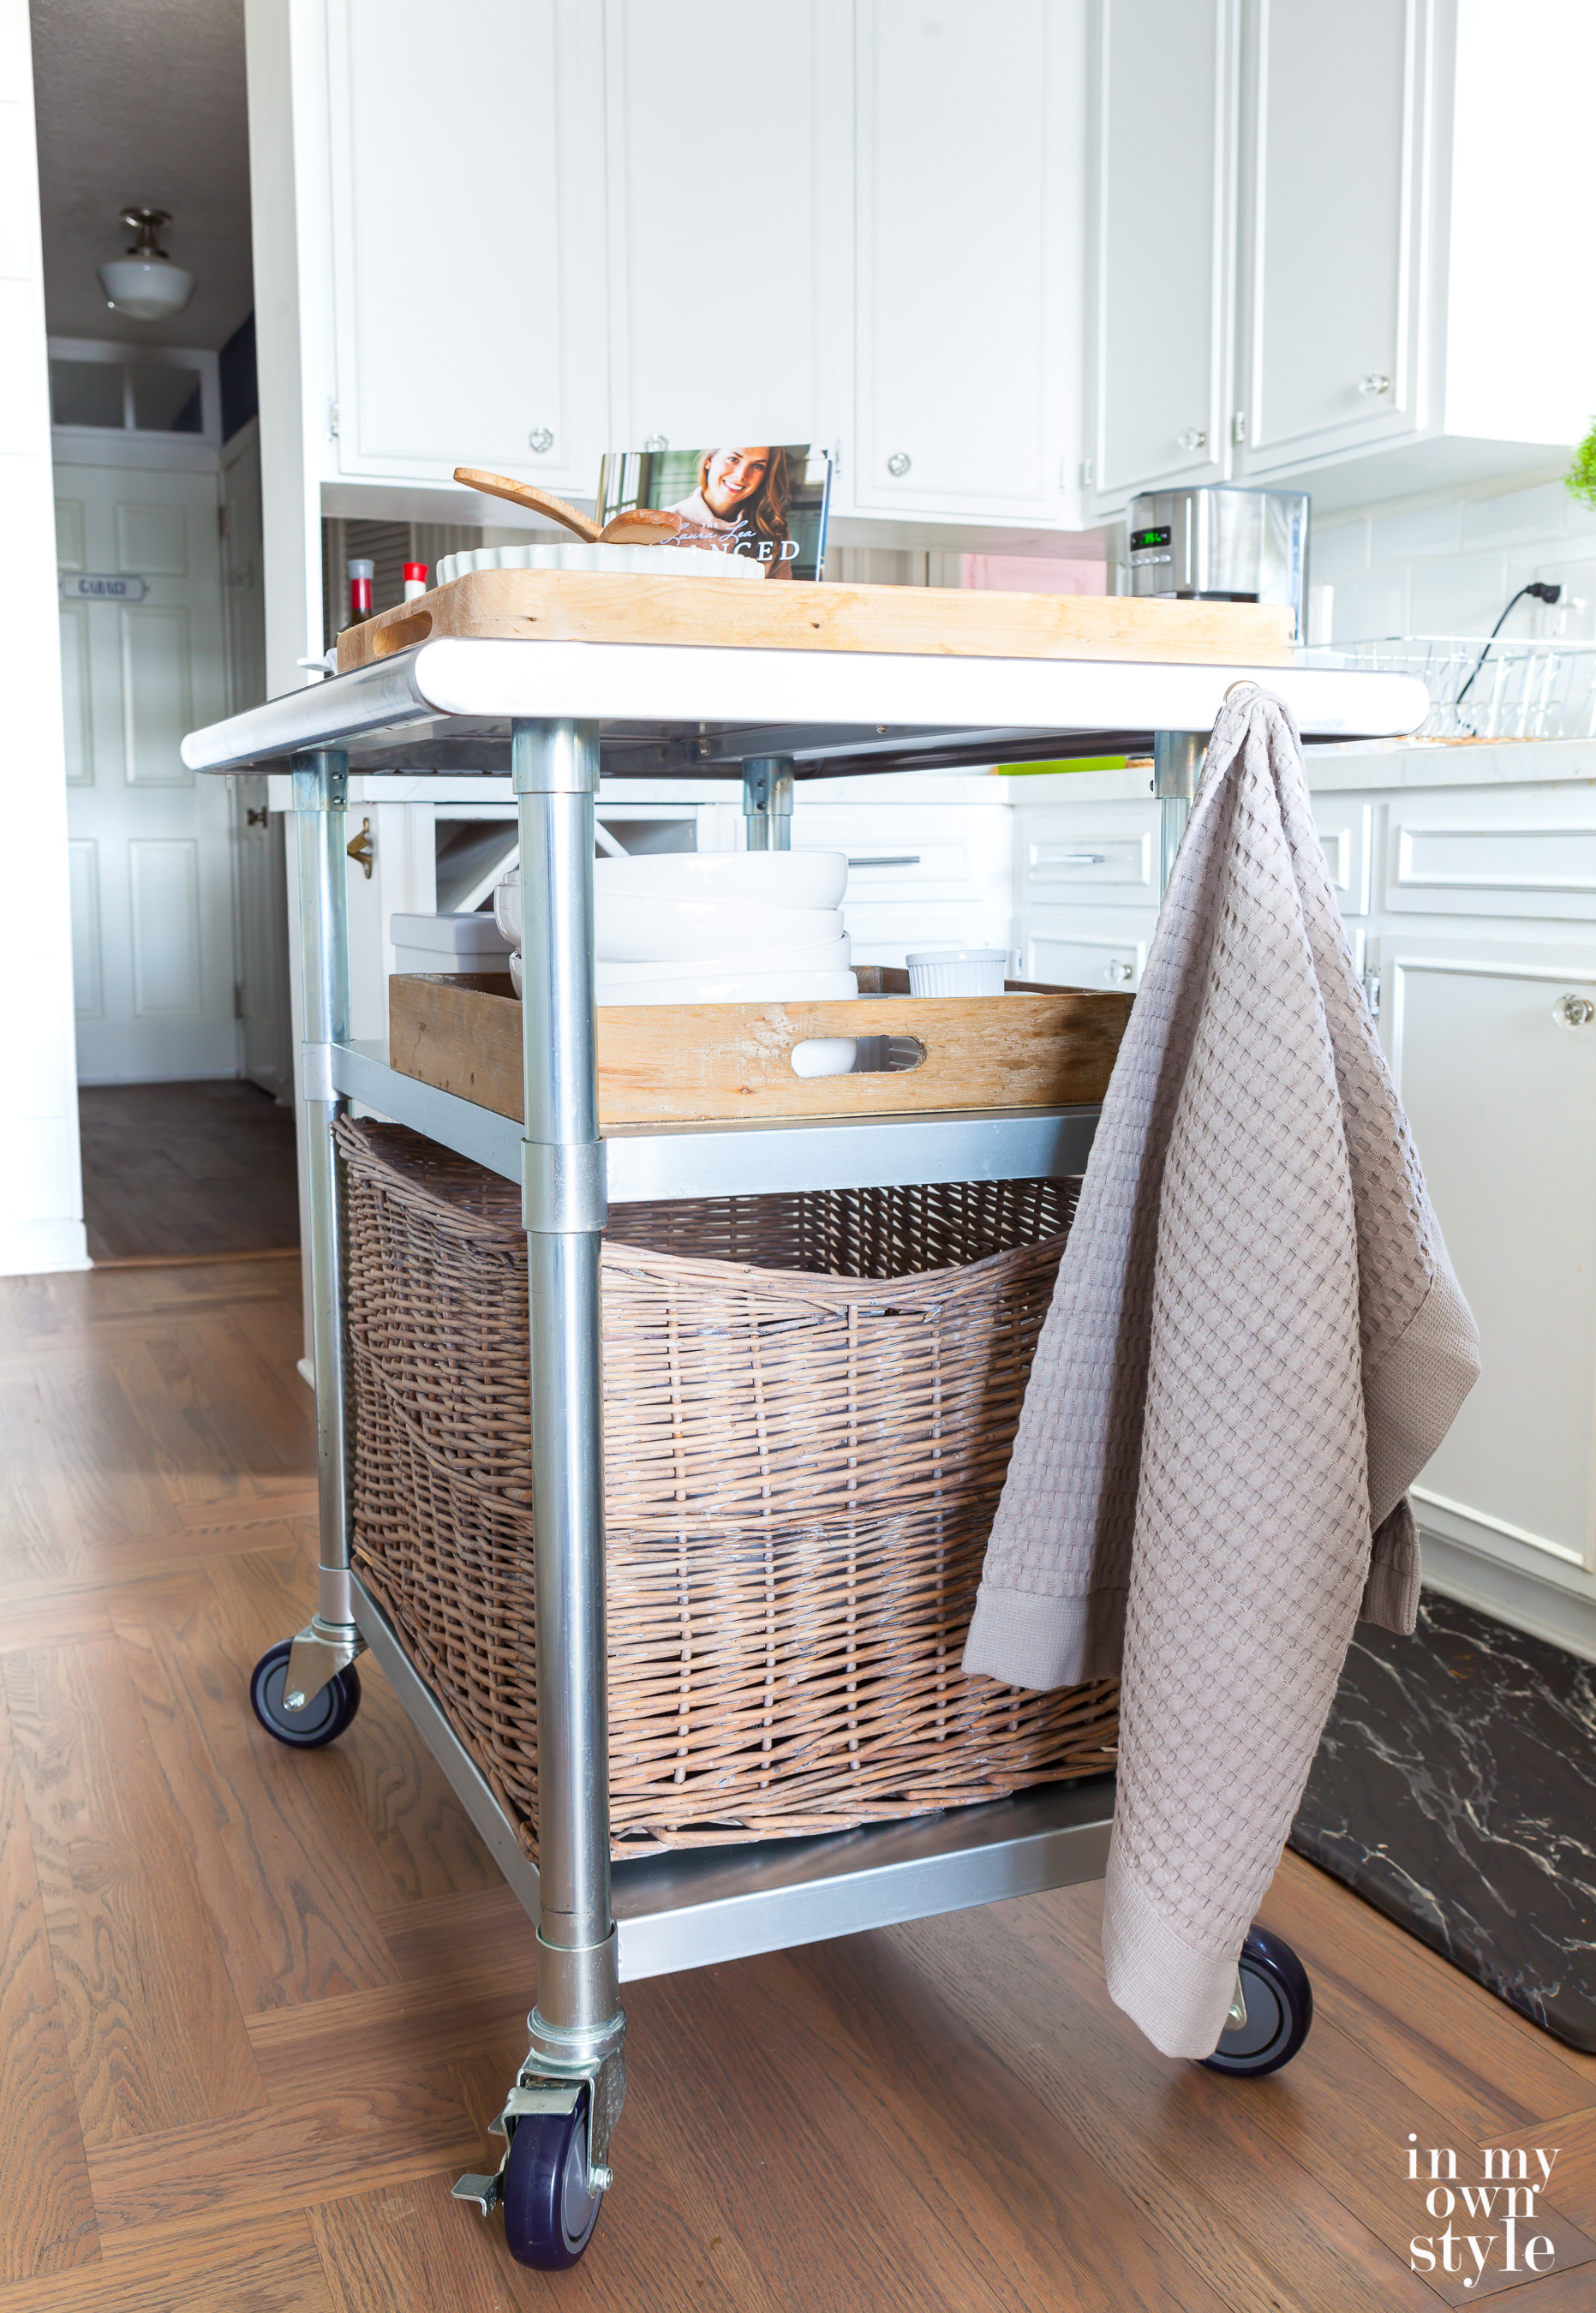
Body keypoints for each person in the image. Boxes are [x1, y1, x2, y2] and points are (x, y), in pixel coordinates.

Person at [668, 446, 797, 578]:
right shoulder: (663, 525)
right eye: (733, 459)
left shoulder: (772, 529)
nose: (741, 475)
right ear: (709, 460)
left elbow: (779, 595)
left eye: (757, 466)